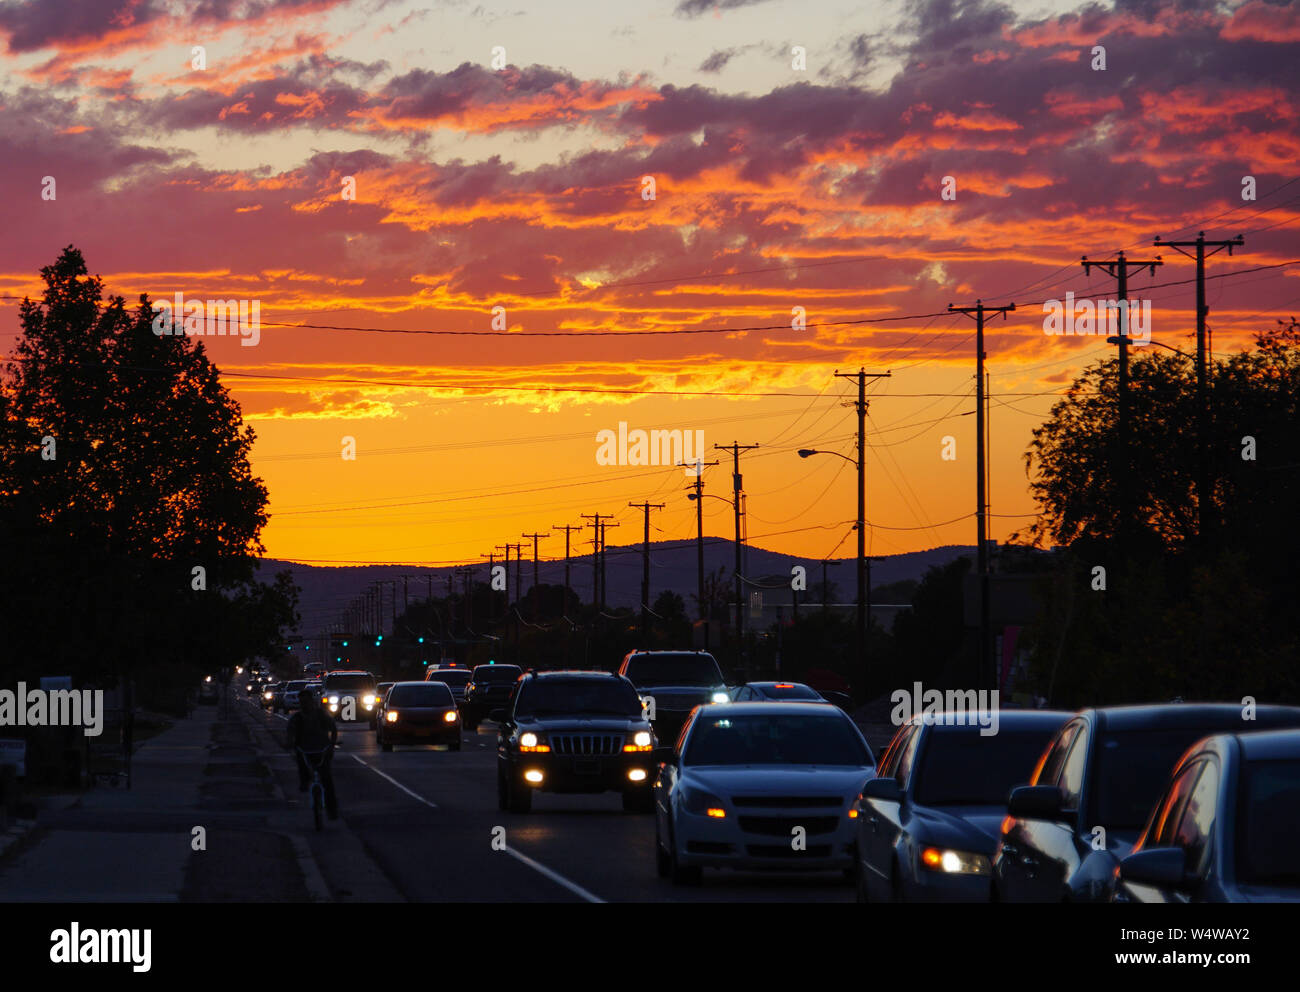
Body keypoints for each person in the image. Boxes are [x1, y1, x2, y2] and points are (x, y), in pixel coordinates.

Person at [286, 688, 339, 819]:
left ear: (312, 701)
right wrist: (290, 742)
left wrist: (331, 744)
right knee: (301, 761)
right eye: (302, 702)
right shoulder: (297, 718)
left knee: (327, 780)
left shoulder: (321, 715)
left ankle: (331, 810)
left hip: (322, 750)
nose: (304, 704)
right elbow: (290, 732)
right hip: (305, 750)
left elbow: (333, 728)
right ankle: (304, 781)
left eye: (307, 701)